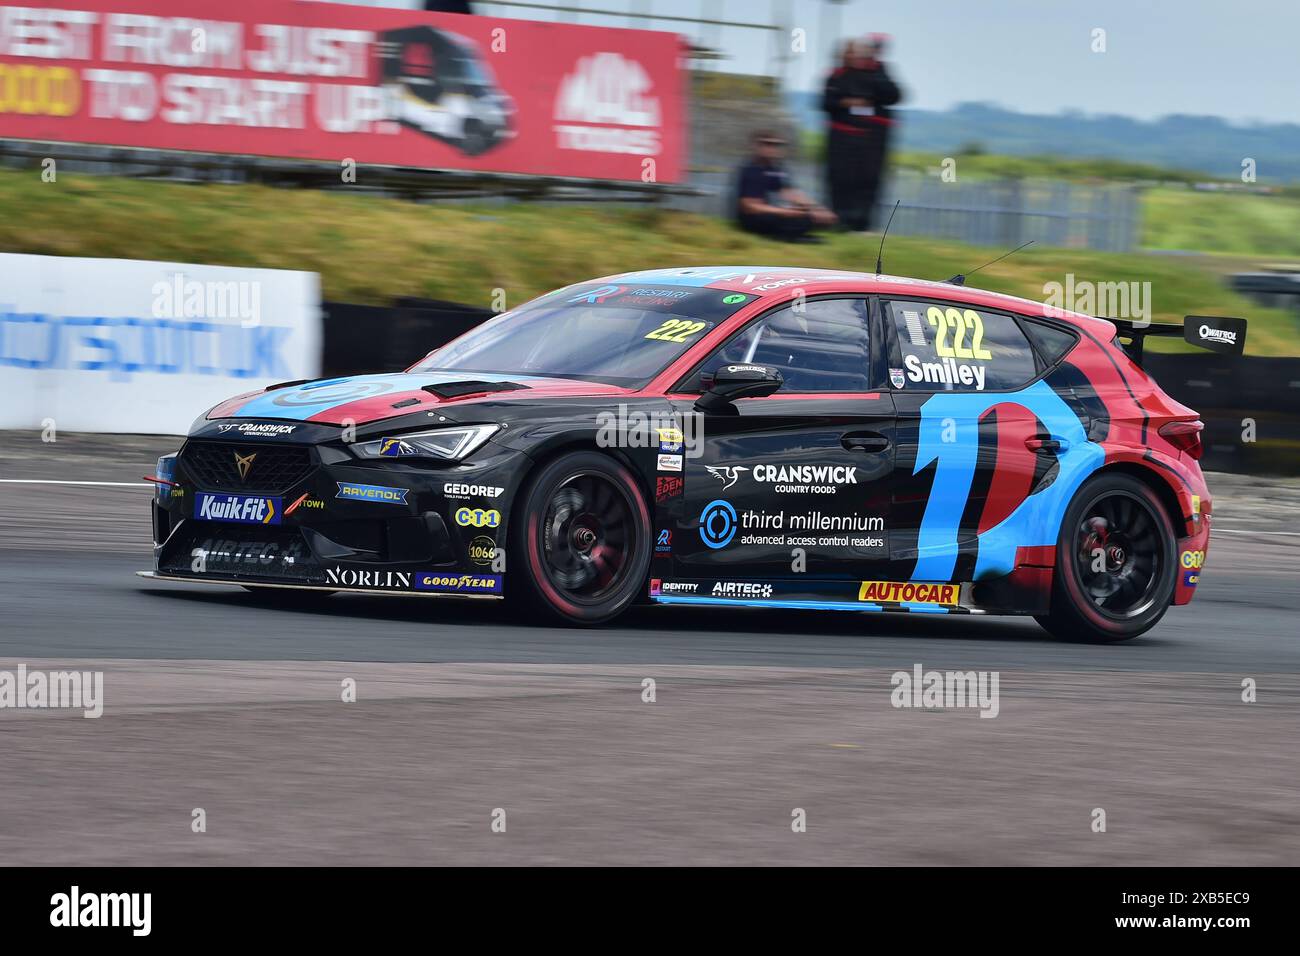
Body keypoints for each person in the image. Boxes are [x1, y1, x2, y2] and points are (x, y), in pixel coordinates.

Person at [822, 35, 902, 231]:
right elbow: (826, 103)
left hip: (871, 140)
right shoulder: (837, 75)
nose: (857, 57)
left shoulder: (877, 72)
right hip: (842, 140)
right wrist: (847, 102)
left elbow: (893, 96)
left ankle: (862, 223)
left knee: (868, 181)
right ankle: (839, 220)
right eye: (851, 53)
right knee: (841, 180)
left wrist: (876, 69)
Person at [734, 131, 837, 242]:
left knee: (822, 218)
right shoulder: (752, 170)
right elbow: (750, 207)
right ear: (756, 146)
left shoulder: (776, 168)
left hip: (770, 212)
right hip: (752, 217)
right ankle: (786, 237)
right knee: (800, 219)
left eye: (776, 145)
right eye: (767, 144)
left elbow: (791, 193)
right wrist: (784, 212)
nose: (772, 148)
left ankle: (790, 233)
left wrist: (817, 209)